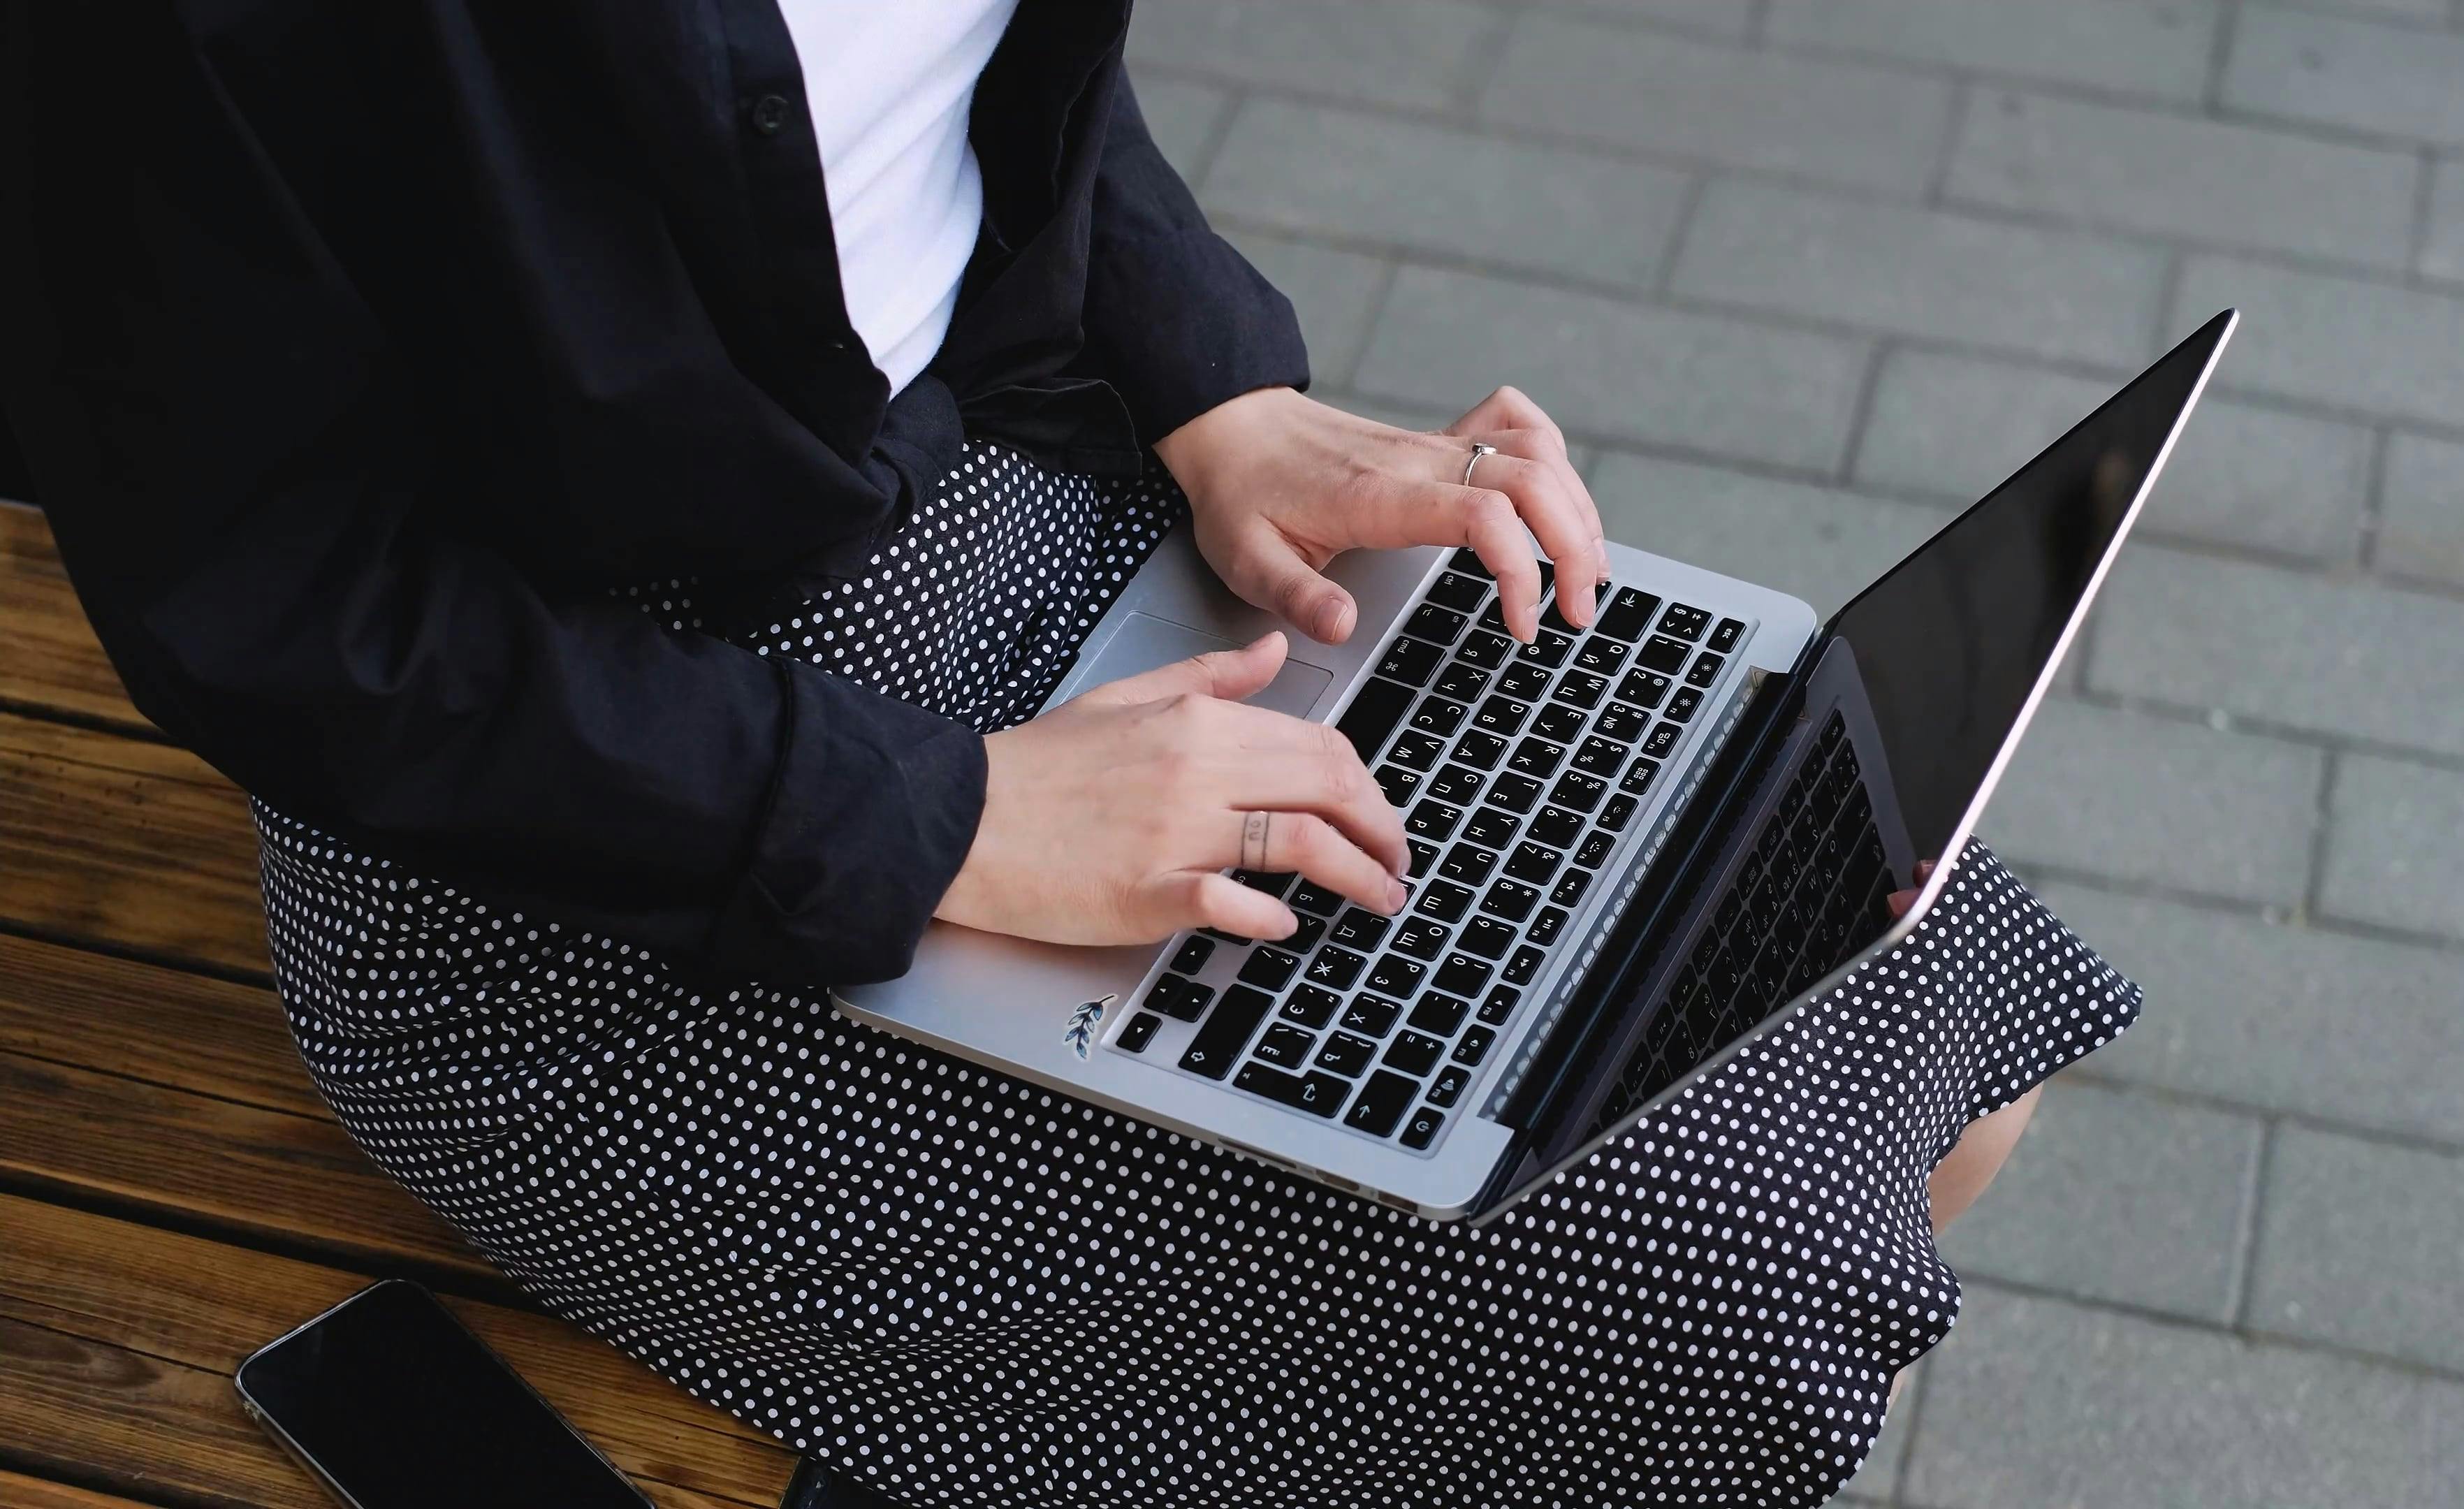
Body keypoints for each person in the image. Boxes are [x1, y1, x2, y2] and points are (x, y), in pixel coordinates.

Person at [0, 3, 2137, 1504]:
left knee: (1919, 1001)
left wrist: (1214, 389)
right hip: (579, 860)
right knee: (1726, 1282)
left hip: (1035, 530)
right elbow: (272, 599)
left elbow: (969, 101)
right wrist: (949, 820)